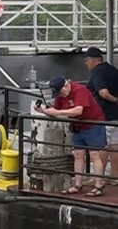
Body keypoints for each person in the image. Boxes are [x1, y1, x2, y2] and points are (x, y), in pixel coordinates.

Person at [42, 77, 107, 196]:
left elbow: (78, 110)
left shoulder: (79, 90)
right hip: (78, 126)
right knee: (78, 154)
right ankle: (78, 184)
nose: (60, 95)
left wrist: (58, 113)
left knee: (94, 154)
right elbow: (55, 109)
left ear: (66, 86)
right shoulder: (60, 95)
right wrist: (43, 110)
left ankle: (99, 184)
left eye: (60, 92)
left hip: (93, 123)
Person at [84, 47, 118, 181]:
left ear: (92, 60)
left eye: (86, 61)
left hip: (103, 115)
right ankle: (115, 175)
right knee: (114, 146)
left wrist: (115, 99)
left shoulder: (97, 72)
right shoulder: (113, 70)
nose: (86, 64)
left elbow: (103, 92)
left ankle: (99, 177)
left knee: (102, 146)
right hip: (116, 116)